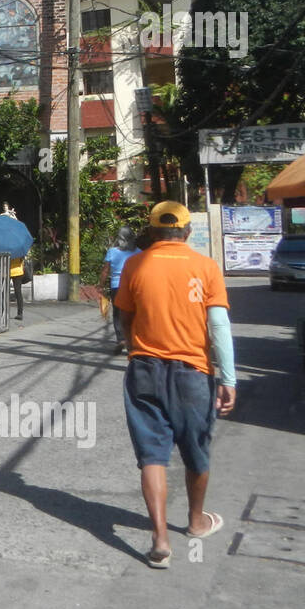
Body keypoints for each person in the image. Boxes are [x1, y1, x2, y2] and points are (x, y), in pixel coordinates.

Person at [115, 201, 237, 569]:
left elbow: (124, 319)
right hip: (192, 372)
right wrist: (229, 378)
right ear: (187, 232)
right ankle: (196, 522)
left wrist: (135, 346)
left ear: (153, 232)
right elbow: (218, 327)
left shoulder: (135, 265)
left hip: (144, 370)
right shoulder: (206, 267)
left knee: (152, 454)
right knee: (195, 448)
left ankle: (160, 539)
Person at [99, 226, 140, 353]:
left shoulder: (112, 251)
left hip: (117, 285)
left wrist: (101, 285)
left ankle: (121, 339)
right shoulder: (139, 252)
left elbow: (105, 271)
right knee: (134, 313)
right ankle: (133, 340)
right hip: (133, 286)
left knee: (118, 314)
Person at [9, 256, 26, 320]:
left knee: (4, 292)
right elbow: (22, 260)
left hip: (7, 271)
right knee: (18, 293)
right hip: (18, 271)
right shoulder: (20, 250)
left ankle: (1, 310)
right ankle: (20, 313)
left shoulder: (6, 249)